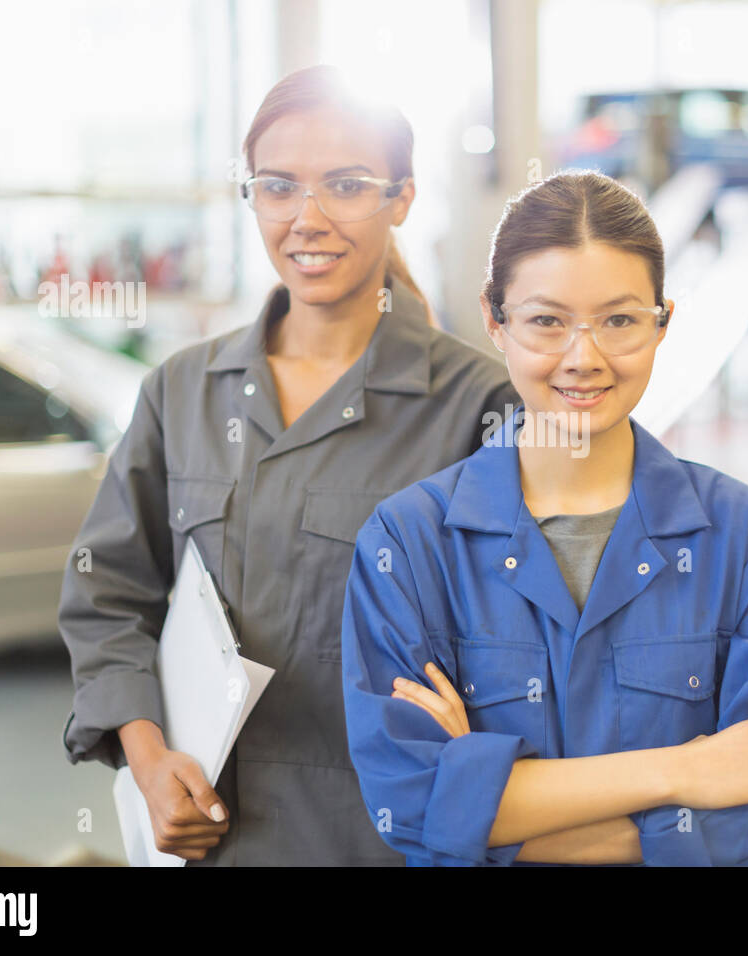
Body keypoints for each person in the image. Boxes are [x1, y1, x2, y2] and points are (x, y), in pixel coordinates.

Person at [58, 66, 518, 865]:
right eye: (278, 186)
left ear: (402, 198)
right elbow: (108, 593)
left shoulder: (478, 406)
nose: (307, 219)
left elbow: (523, 647)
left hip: (383, 837)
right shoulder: (183, 391)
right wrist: (148, 759)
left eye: (345, 185)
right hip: (208, 835)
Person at [341, 170, 748, 866]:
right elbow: (408, 805)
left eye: (620, 320)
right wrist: (684, 772)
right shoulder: (409, 545)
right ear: (495, 321)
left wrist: (485, 802)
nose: (583, 357)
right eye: (546, 320)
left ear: (664, 322)